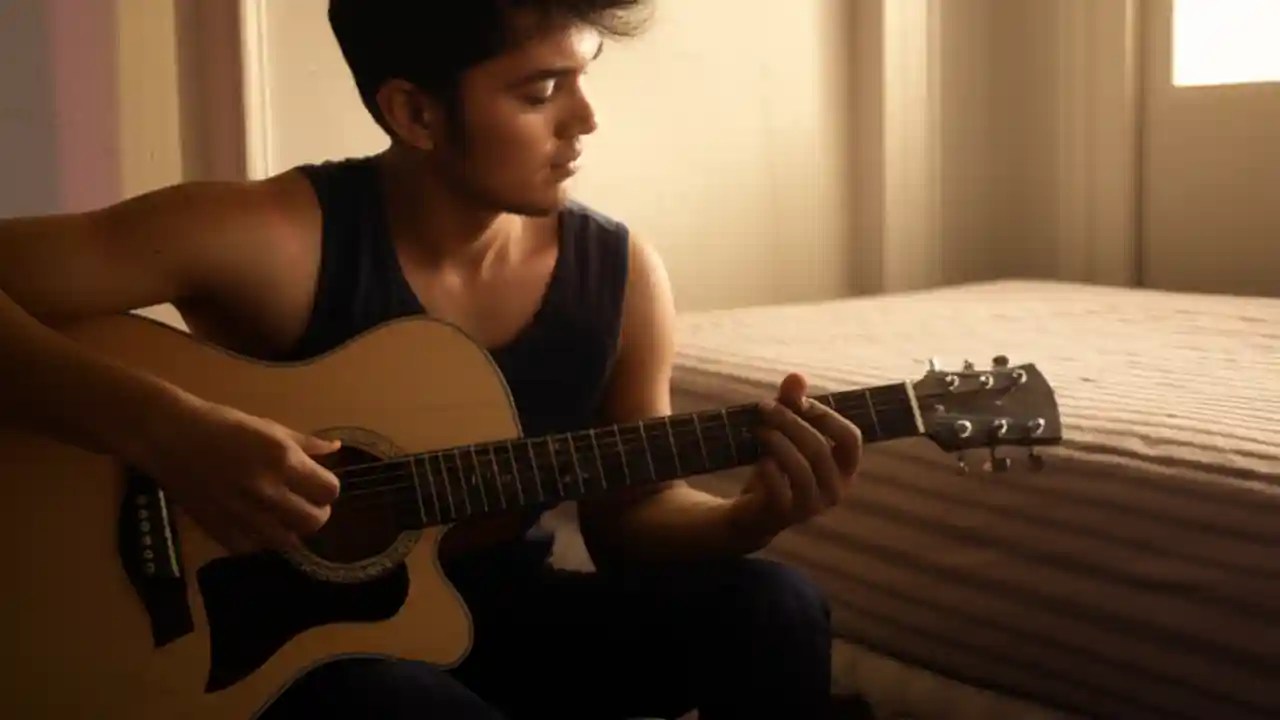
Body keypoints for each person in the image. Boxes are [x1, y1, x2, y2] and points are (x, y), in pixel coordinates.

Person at [0, 1, 863, 718]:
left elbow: (629, 521)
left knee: (775, 608)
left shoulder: (617, 274)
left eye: (583, 76)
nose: (586, 119)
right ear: (414, 113)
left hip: (498, 610)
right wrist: (167, 432)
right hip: (273, 643)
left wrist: (751, 516)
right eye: (540, 92)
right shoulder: (275, 238)